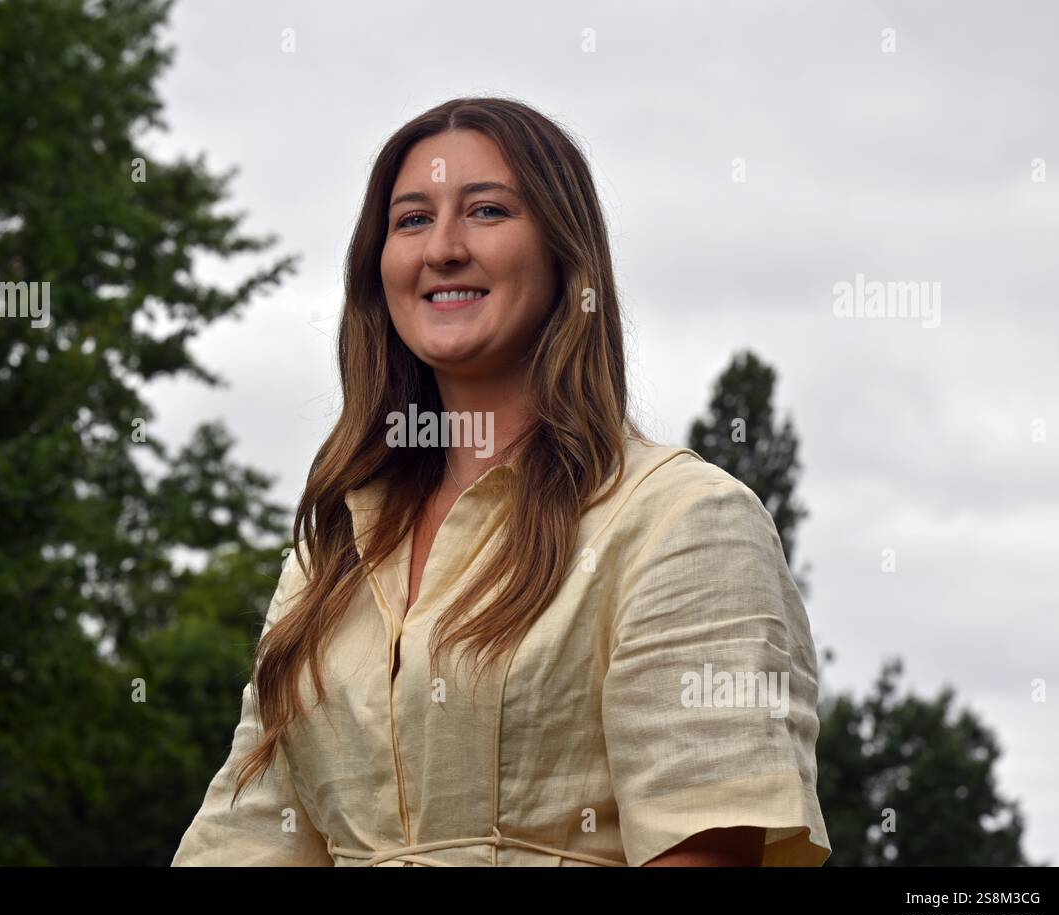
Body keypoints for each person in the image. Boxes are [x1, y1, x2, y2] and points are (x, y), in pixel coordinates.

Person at [171, 96, 830, 867]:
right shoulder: (331, 556)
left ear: (564, 255)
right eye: (412, 220)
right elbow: (242, 843)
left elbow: (703, 851)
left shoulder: (682, 522)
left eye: (486, 211)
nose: (443, 248)